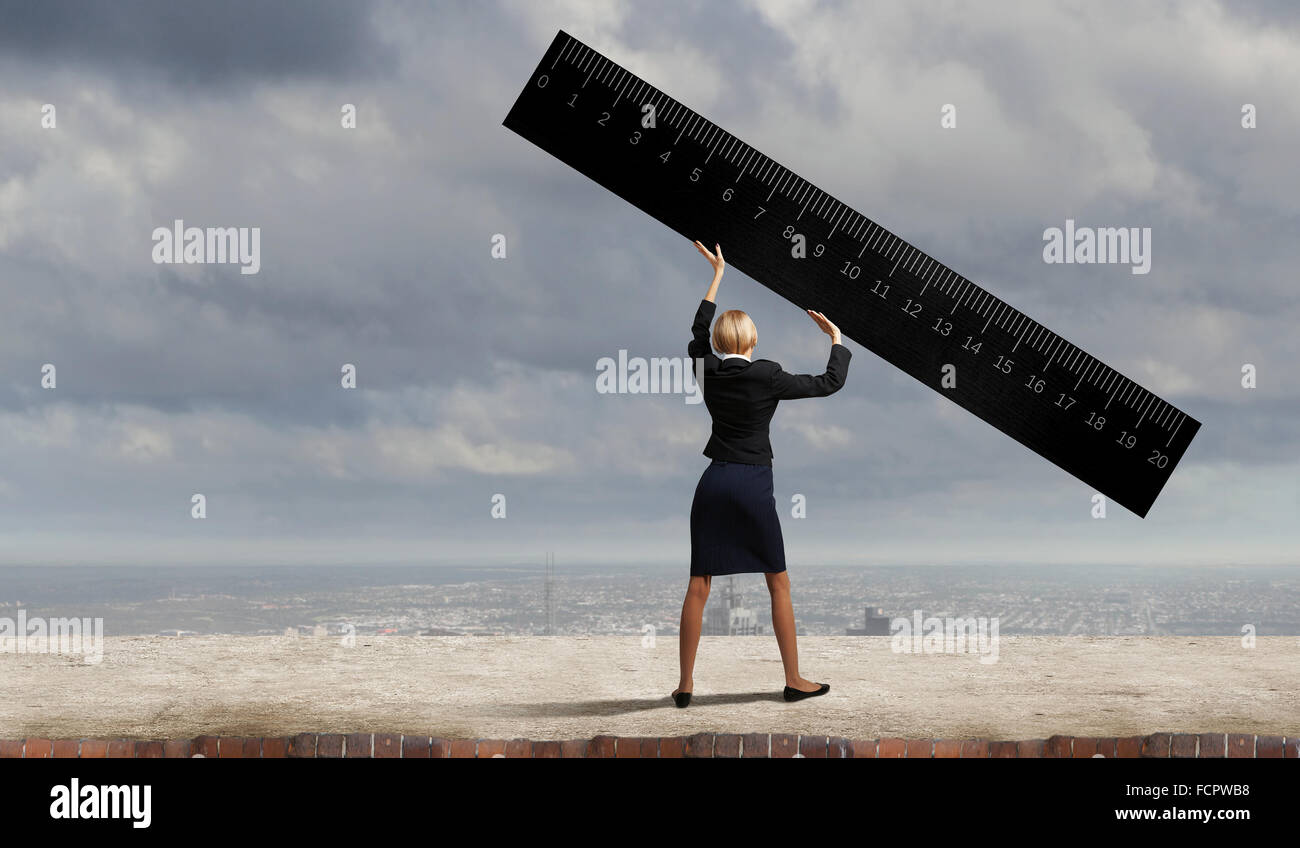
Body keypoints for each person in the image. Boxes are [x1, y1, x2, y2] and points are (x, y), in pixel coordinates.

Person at [672, 239, 852, 708]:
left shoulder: (705, 370)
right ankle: (793, 680)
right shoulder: (768, 374)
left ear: (717, 344)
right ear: (752, 342)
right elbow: (828, 384)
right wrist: (836, 339)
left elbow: (695, 335)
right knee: (778, 582)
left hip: (712, 483)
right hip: (753, 484)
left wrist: (716, 276)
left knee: (699, 585)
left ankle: (685, 685)